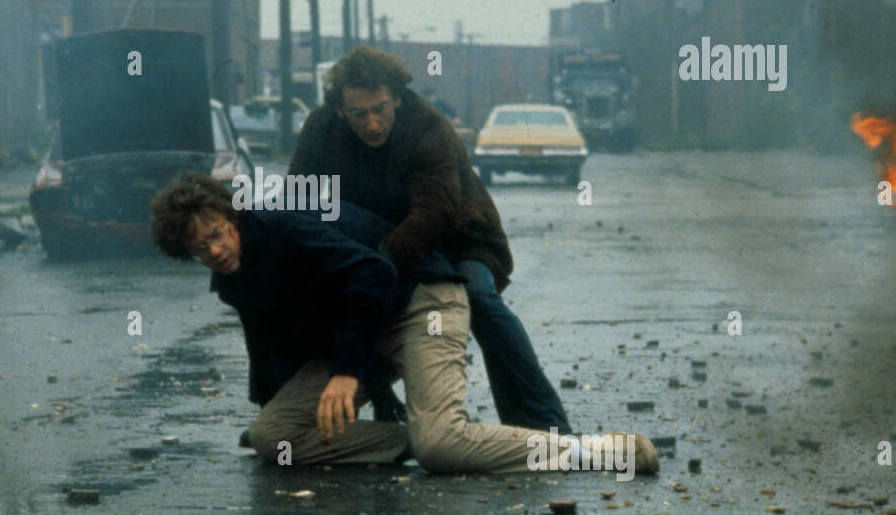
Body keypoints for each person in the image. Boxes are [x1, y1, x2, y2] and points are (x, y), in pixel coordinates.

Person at [149, 173, 656, 476]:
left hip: (423, 304)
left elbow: (374, 273)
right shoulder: (233, 280)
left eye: (216, 234)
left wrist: (348, 374)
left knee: (442, 445)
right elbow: (266, 346)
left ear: (233, 220)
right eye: (198, 249)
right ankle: (433, 441)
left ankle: (597, 452)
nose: (213, 251)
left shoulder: (284, 226)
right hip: (365, 331)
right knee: (273, 438)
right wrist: (275, 406)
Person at [290, 46, 572, 434]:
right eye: (359, 113)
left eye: (381, 109)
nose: (372, 124)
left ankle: (544, 423)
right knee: (318, 292)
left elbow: (435, 211)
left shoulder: (429, 127)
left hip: (457, 236)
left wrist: (377, 263)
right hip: (371, 239)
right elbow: (299, 200)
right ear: (340, 109)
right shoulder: (320, 129)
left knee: (479, 299)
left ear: (398, 98)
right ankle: (324, 408)